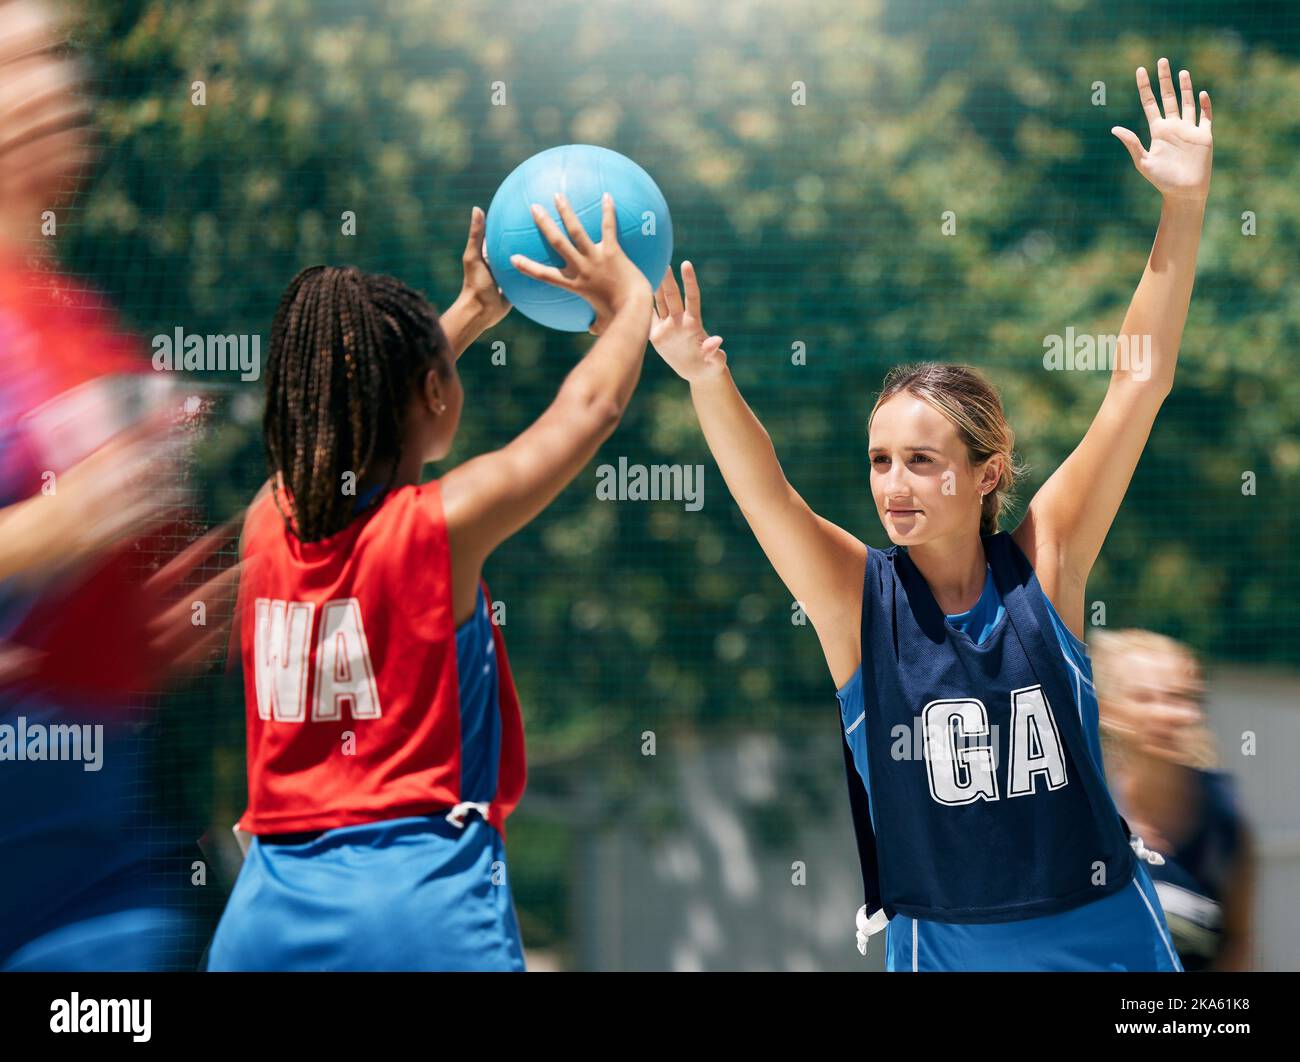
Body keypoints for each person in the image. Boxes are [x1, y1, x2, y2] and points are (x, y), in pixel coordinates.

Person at [647, 59, 1213, 971]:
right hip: (945, 948)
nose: (893, 484)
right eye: (880, 461)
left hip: (1106, 938)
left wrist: (1182, 205)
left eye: (921, 460)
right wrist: (707, 378)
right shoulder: (856, 600)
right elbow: (767, 495)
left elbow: (1136, 385)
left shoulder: (1046, 564)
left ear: (988, 474)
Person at [206, 192, 654, 970]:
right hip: (415, 906)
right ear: (435, 392)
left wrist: (471, 311)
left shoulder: (264, 521)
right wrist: (631, 301)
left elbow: (356, 409)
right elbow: (591, 409)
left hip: (264, 916)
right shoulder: (439, 527)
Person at [1092, 628, 1255, 971]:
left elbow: (1238, 942)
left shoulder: (1224, 818)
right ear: (1109, 712)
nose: (1169, 714)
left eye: (1180, 698)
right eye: (1146, 699)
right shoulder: (1087, 819)